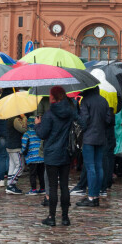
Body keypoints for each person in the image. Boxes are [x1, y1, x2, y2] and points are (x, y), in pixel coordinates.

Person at [35, 86, 77, 226]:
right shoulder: (70, 111)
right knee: (64, 186)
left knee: (53, 187)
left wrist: (37, 125)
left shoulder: (49, 114)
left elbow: (42, 134)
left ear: (53, 97)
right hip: (65, 152)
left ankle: (52, 217)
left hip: (52, 153)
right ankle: (65, 218)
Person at [76, 86, 111, 208]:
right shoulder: (103, 100)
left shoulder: (86, 101)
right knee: (98, 167)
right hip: (101, 137)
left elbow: (84, 120)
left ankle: (91, 197)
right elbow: (108, 120)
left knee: (90, 167)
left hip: (89, 138)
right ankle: (96, 196)